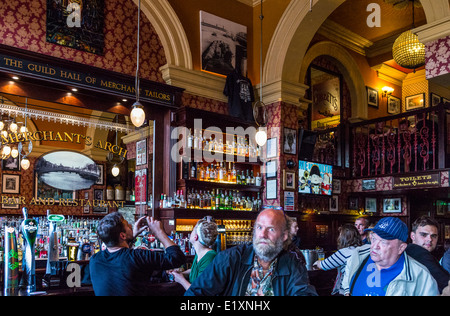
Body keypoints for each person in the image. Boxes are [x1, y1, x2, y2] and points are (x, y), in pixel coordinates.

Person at [184, 208, 317, 296]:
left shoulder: (293, 265)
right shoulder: (229, 259)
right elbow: (195, 294)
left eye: (271, 229)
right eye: (259, 227)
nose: (263, 234)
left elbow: (304, 292)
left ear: (284, 236)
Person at [89, 212, 186, 296]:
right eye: (127, 225)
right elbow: (177, 258)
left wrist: (130, 236)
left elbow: (120, 254)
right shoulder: (138, 256)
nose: (131, 226)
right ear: (122, 235)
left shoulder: (95, 260)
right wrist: (159, 232)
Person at [342, 217, 439, 296]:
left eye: (383, 242)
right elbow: (347, 283)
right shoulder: (358, 256)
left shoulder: (421, 277)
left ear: (401, 248)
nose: (375, 246)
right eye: (374, 239)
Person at [313, 224, 370, 295]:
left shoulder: (344, 252)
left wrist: (316, 263)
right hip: (360, 288)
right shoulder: (362, 249)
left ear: (343, 238)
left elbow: (324, 265)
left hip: (346, 291)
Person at [168, 218, 218, 290]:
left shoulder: (209, 257)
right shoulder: (200, 253)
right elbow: (195, 270)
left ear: (195, 237)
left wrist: (181, 280)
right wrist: (182, 274)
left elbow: (199, 292)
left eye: (192, 231)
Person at [406, 216, 450, 293]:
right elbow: (445, 281)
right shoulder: (417, 252)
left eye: (433, 236)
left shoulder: (410, 251)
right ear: (412, 236)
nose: (429, 239)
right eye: (423, 235)